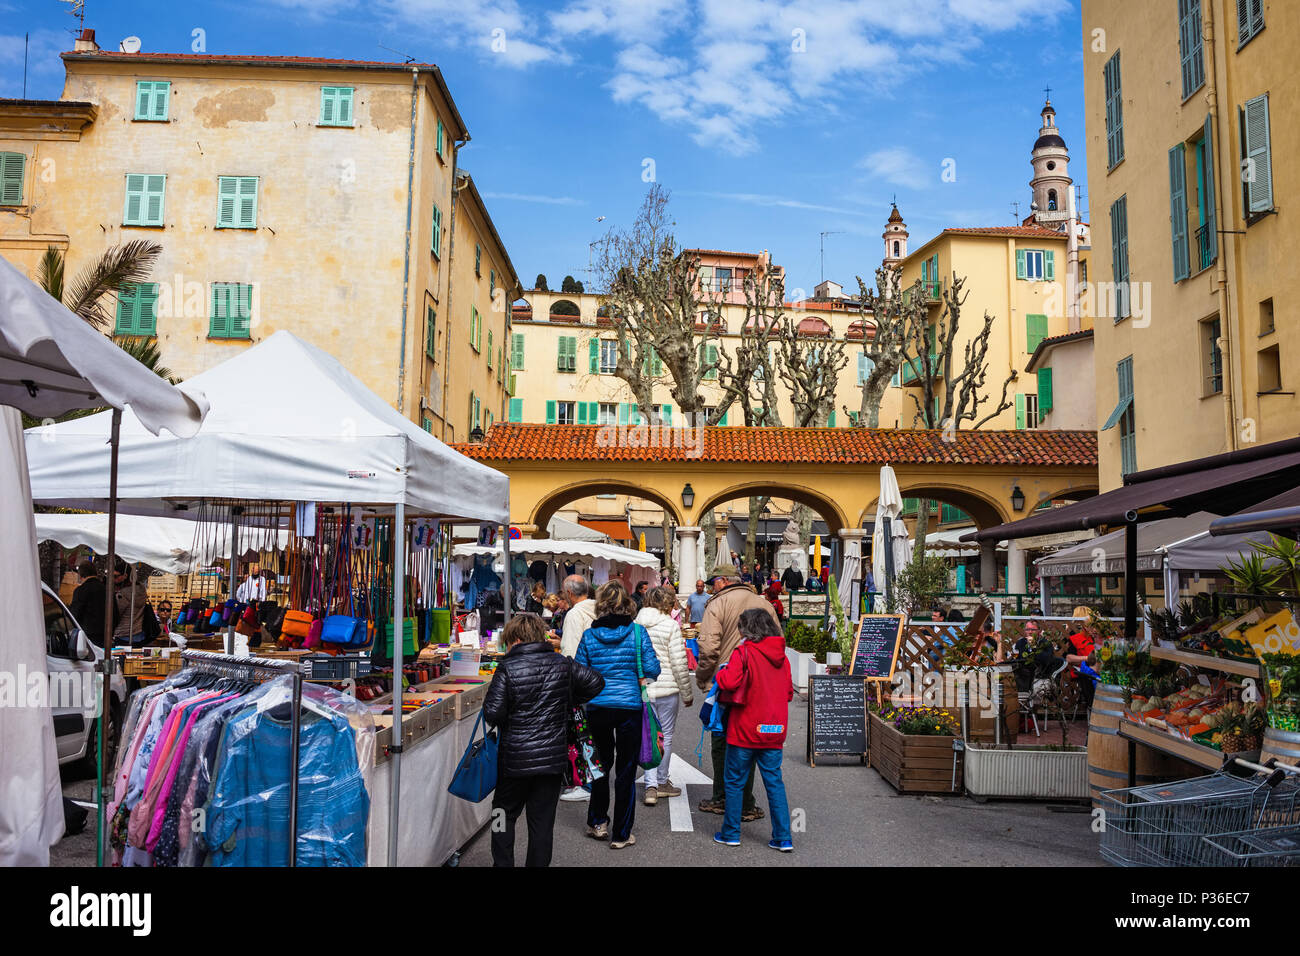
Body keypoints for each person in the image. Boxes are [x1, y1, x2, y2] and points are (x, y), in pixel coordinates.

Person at [484, 613, 605, 867]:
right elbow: (596, 682)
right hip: (552, 760)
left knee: (501, 813)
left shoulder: (507, 668)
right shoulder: (562, 663)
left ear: (515, 639)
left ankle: (502, 863)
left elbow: (492, 713)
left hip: (514, 760)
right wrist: (569, 698)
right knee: (542, 822)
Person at [574, 581, 661, 849]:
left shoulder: (589, 636)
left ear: (601, 605)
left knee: (599, 766)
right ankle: (622, 834)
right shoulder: (637, 633)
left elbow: (579, 673)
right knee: (625, 770)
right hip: (629, 708)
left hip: (598, 708)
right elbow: (652, 668)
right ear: (627, 604)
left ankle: (598, 822)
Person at [695, 565, 779, 821]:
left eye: (713, 582)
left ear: (722, 582)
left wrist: (702, 678)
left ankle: (724, 797)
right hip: (757, 685)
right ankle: (746, 801)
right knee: (749, 741)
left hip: (727, 682)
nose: (710, 587)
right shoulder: (762, 602)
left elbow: (709, 649)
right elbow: (778, 640)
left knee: (721, 742)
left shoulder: (717, 604)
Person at [713, 608, 795, 851]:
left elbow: (728, 682)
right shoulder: (783, 656)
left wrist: (721, 673)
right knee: (774, 782)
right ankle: (783, 837)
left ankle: (731, 833)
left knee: (735, 781)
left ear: (748, 629)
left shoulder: (744, 652)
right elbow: (789, 693)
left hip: (745, 728)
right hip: (774, 728)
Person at [635, 586, 694, 806]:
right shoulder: (671, 625)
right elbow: (679, 663)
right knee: (665, 737)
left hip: (644, 689)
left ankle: (650, 787)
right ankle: (661, 782)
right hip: (668, 688)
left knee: (648, 736)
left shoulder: (636, 624)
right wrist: (687, 693)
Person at [558, 574, 598, 802]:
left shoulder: (574, 614)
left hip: (581, 682)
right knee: (592, 735)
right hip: (598, 680)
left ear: (570, 594)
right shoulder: (597, 608)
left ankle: (584, 784)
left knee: (581, 734)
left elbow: (570, 653)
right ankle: (591, 782)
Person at [68, 560, 111, 648]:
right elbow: (115, 613)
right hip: (106, 635)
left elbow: (75, 614)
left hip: (87, 635)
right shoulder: (107, 590)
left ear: (80, 575)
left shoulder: (80, 591)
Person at [1064, 607, 1098, 709]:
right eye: (1091, 626)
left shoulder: (1103, 638)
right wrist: (1087, 658)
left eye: (1096, 626)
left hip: (1102, 670)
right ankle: (1093, 706)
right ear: (1085, 627)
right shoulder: (1075, 638)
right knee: (1086, 677)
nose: (1094, 629)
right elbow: (1069, 658)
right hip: (1085, 671)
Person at [112, 560, 151, 646]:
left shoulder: (123, 593)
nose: (113, 579)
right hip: (139, 632)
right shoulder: (141, 589)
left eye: (115, 576)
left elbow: (116, 613)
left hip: (124, 633)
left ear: (125, 576)